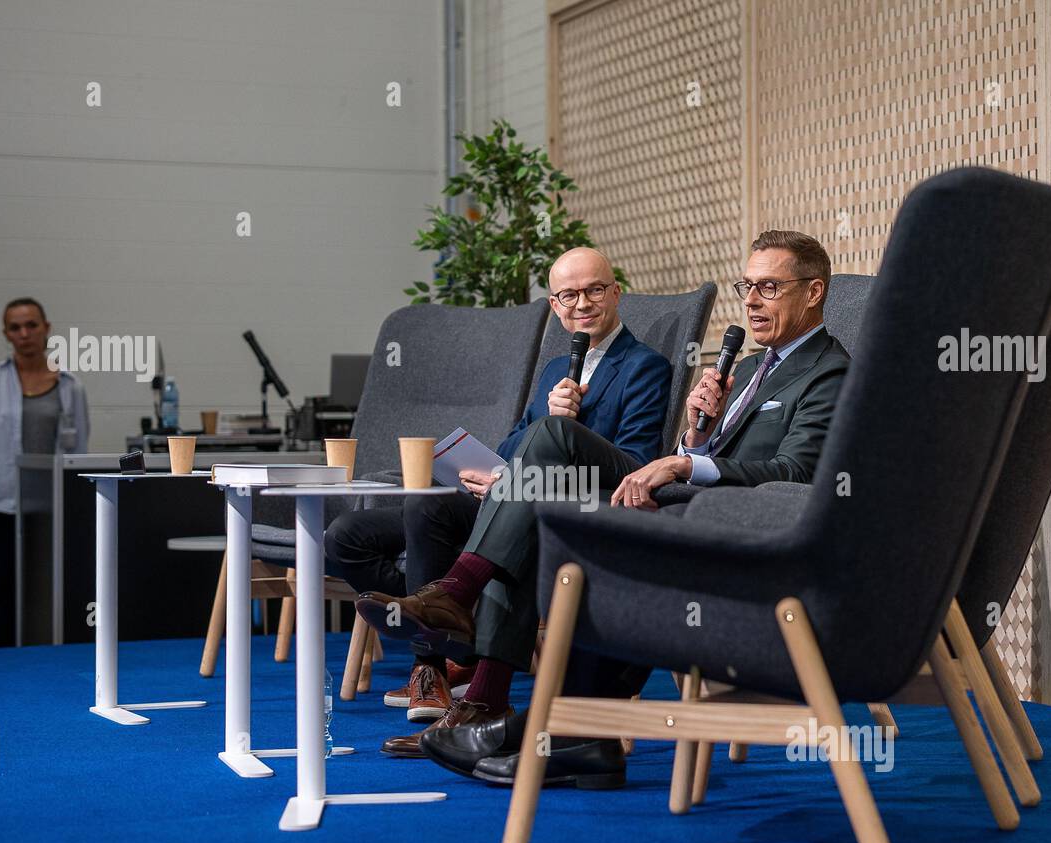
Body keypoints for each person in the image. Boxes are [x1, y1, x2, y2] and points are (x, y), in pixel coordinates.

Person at [360, 230, 851, 785]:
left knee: (548, 445)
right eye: (748, 286)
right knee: (533, 504)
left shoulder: (827, 372)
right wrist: (696, 435)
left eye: (769, 287)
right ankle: (520, 713)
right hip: (664, 503)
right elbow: (703, 457)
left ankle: (468, 616)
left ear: (813, 292)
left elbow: (796, 476)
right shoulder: (762, 366)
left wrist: (683, 463)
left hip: (714, 529)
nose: (752, 300)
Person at [326, 246, 672, 747]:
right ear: (554, 305)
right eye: (569, 295)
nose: (583, 303)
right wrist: (537, 426)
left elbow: (634, 466)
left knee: (520, 515)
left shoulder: (645, 365)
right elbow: (512, 443)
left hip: (576, 503)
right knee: (399, 516)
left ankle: (457, 628)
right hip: (514, 494)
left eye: (595, 290)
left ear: (616, 292)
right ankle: (445, 648)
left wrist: (546, 445)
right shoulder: (556, 367)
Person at [0, 298, 89, 647]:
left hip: (48, 512)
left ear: (47, 327)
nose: (25, 334)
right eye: (15, 328)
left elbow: (78, 451)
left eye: (32, 325)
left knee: (48, 595)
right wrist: (1, 480)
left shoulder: (69, 387)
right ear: (6, 334)